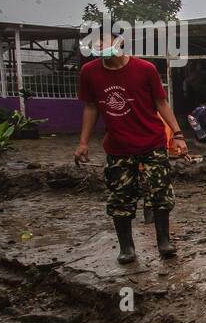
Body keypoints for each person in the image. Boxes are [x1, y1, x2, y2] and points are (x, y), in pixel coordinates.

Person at [75, 32, 187, 264]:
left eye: (103, 40)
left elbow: (161, 103)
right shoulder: (90, 72)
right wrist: (83, 142)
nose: (97, 45)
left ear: (119, 41)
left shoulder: (145, 69)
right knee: (120, 197)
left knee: (160, 193)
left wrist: (177, 135)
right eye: (95, 41)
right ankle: (126, 248)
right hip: (118, 146)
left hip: (152, 143)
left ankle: (164, 241)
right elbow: (91, 107)